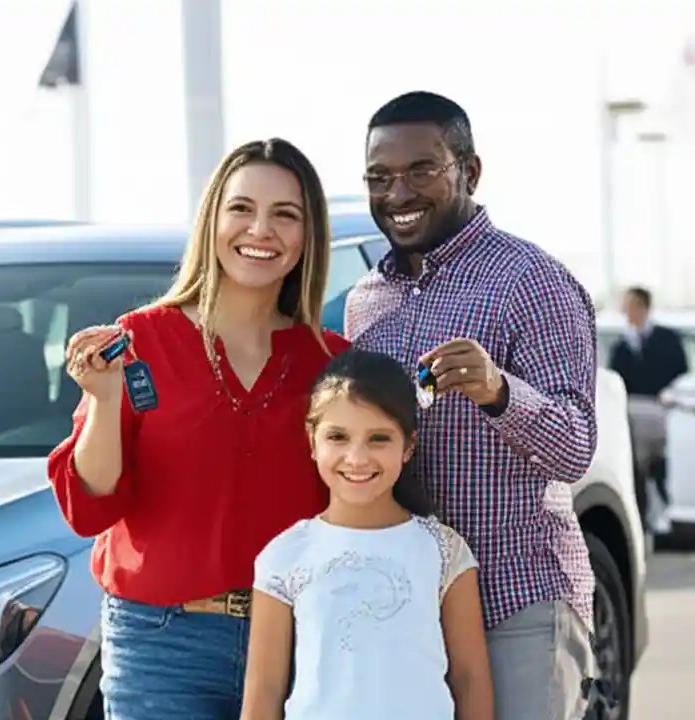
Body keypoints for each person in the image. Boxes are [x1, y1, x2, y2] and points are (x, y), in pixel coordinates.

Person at [47, 138, 348, 720]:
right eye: (242, 208)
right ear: (212, 219)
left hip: (302, 642)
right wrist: (104, 400)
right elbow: (92, 506)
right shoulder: (140, 341)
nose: (260, 230)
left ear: (308, 236)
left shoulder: (332, 362)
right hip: (163, 648)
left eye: (285, 214)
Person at [344, 91, 598, 719]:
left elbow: (575, 447)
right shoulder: (365, 302)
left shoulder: (531, 281)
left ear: (470, 171)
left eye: (421, 170)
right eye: (380, 177)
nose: (398, 193)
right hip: (405, 613)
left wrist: (499, 392)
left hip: (517, 603)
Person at [241, 348, 494, 720]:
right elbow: (265, 689)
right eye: (338, 437)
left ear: (408, 446)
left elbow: (470, 677)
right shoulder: (284, 556)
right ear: (312, 441)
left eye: (379, 438)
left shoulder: (443, 551)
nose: (357, 458)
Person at [609, 285, 689, 527]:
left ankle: (665, 508)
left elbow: (681, 371)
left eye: (631, 305)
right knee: (638, 469)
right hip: (634, 415)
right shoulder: (622, 345)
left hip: (667, 411)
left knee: (664, 466)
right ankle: (645, 517)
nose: (627, 312)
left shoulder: (667, 339)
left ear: (643, 307)